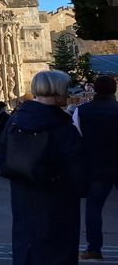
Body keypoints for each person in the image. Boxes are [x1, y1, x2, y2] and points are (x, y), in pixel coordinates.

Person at [0, 70, 89, 265]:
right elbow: (79, 177)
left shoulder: (14, 122)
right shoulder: (63, 127)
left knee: (26, 251)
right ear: (57, 93)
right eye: (66, 89)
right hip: (58, 205)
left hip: (23, 201)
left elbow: (3, 158)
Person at [74, 75, 118, 261]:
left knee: (94, 208)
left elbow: (76, 137)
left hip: (97, 166)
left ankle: (94, 248)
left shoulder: (82, 111)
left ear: (94, 90)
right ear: (114, 90)